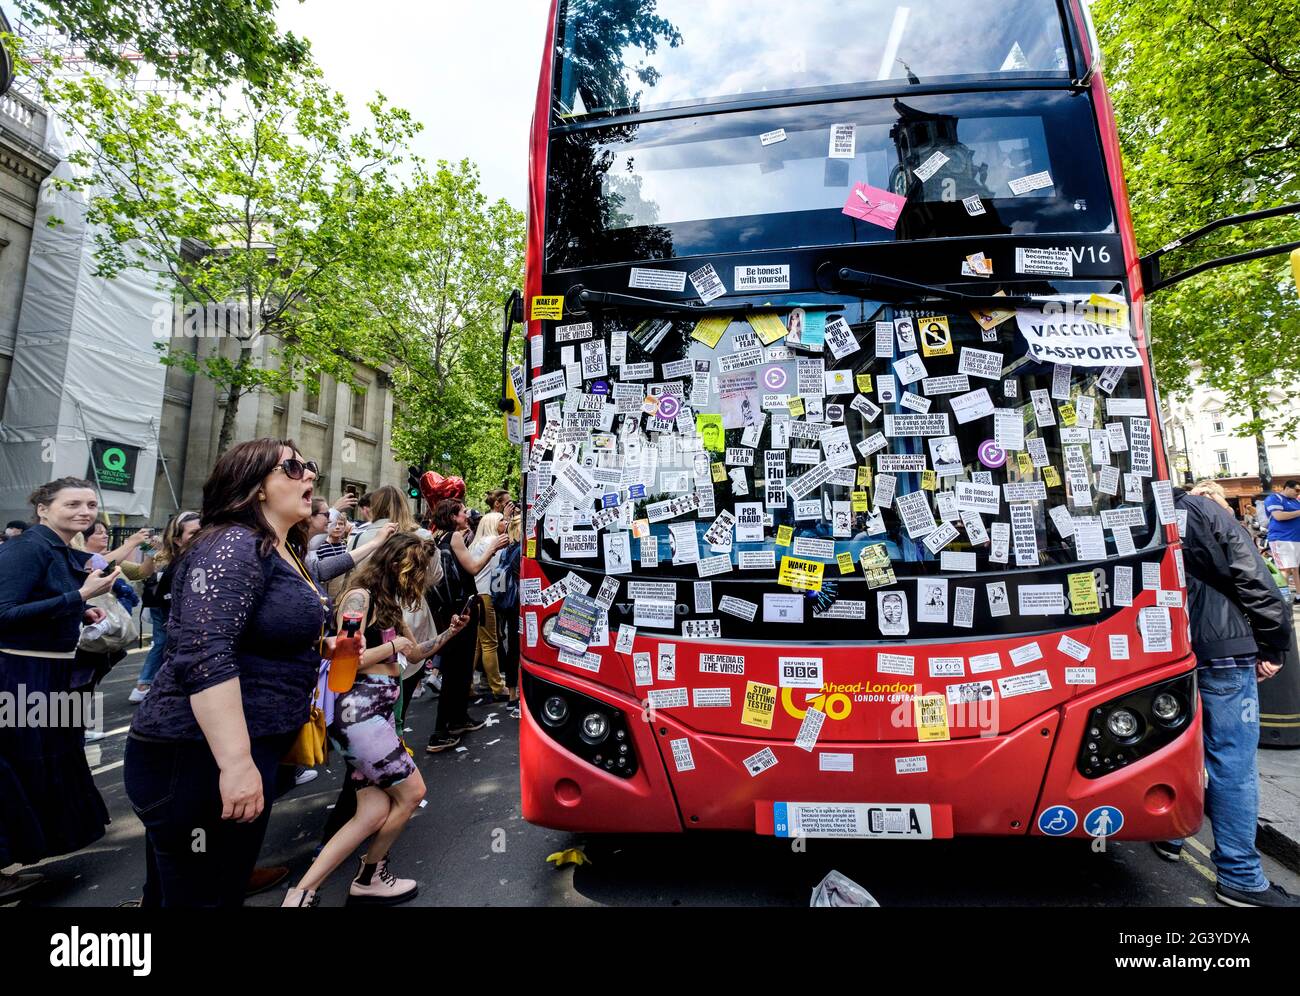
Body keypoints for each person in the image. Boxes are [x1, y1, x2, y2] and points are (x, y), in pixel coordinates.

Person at [123, 439, 328, 908]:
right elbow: (204, 652)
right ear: (255, 485)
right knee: (206, 896)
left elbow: (258, 632)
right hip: (194, 758)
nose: (310, 476)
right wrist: (236, 764)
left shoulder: (280, 548)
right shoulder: (232, 543)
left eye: (309, 465)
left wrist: (325, 645)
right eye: (293, 467)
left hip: (231, 750)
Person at [284, 536, 469, 907]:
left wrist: (452, 631)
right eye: (416, 571)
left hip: (377, 718)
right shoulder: (358, 597)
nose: (418, 581)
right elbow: (345, 660)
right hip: (358, 717)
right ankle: (369, 876)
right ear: (398, 564)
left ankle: (301, 894)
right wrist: (393, 647)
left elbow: (416, 652)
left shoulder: (390, 606)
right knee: (413, 792)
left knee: (371, 813)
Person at [1155, 488, 1299, 906]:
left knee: (1175, 748)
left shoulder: (1134, 505)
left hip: (1157, 653)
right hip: (1223, 649)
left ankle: (1169, 834)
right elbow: (1253, 575)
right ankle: (1241, 876)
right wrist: (1274, 645)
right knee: (1232, 763)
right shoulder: (1203, 511)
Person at [0, 478, 118, 901]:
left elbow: (41, 604)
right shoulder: (27, 548)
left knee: (45, 764)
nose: (85, 511)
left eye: (90, 503)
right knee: (20, 768)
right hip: (19, 676)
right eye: (72, 504)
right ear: (44, 509)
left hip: (51, 675)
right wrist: (78, 596)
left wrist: (80, 608)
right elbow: (4, 613)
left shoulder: (59, 549)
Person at [426, 498, 508, 752]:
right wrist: (492, 547)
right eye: (462, 512)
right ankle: (441, 731)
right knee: (457, 670)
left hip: (448, 609)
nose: (466, 514)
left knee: (459, 668)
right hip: (462, 609)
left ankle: (459, 719)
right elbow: (472, 568)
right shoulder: (454, 538)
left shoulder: (438, 538)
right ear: (452, 516)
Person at [130, 512, 201, 703]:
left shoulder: (200, 555)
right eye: (194, 532)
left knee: (166, 644)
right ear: (177, 539)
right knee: (163, 643)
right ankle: (144, 684)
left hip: (169, 607)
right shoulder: (166, 555)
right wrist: (140, 544)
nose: (202, 536)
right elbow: (141, 571)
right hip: (162, 606)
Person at [470, 509, 511, 704]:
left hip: (476, 594)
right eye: (502, 520)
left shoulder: (477, 543)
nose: (505, 522)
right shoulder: (493, 543)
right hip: (486, 595)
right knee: (490, 642)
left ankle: (467, 684)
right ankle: (497, 686)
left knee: (477, 644)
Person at [1262, 481, 1300, 595]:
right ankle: (1283, 598)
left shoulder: (1296, 501)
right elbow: (1278, 516)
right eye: (1297, 490)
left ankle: (1298, 595)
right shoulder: (1274, 498)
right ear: (1287, 488)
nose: (1298, 493)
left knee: (1295, 568)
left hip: (1295, 539)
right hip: (1281, 538)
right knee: (1285, 569)